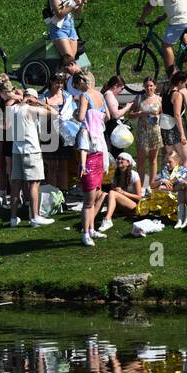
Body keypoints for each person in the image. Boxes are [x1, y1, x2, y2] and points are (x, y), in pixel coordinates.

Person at [5, 88, 54, 227]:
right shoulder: (32, 109)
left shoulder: (13, 108)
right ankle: (35, 217)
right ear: (33, 98)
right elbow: (54, 112)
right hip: (31, 150)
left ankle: (13, 219)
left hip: (16, 151)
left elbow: (7, 108)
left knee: (16, 185)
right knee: (34, 184)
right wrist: (41, 103)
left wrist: (16, 98)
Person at [75, 70, 108, 247]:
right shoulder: (100, 96)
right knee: (93, 197)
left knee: (88, 202)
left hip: (89, 157)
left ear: (82, 82)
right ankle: (89, 230)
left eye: (77, 83)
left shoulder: (84, 96)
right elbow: (108, 116)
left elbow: (81, 117)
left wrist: (75, 114)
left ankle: (87, 232)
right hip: (100, 151)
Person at [45, 0, 88, 74]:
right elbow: (60, 14)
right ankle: (70, 79)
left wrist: (81, 4)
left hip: (71, 29)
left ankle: (62, 77)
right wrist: (73, 4)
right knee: (70, 61)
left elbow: (77, 12)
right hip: (59, 29)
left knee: (71, 60)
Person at [99, 151, 144, 232]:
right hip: (121, 205)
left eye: (122, 159)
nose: (119, 160)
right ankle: (90, 219)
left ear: (128, 163)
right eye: (118, 159)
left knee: (112, 193)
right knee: (104, 194)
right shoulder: (115, 175)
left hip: (134, 206)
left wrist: (123, 192)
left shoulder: (134, 175)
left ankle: (107, 219)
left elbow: (139, 197)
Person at [134, 76, 162, 187]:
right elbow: (130, 114)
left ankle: (152, 186)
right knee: (141, 160)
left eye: (151, 85)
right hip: (142, 132)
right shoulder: (139, 98)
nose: (149, 88)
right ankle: (140, 187)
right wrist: (140, 114)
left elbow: (164, 115)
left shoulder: (159, 99)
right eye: (146, 86)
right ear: (143, 86)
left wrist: (158, 115)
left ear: (155, 87)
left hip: (155, 132)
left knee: (153, 160)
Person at [161, 70, 187, 165]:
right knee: (186, 160)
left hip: (166, 129)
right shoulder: (177, 95)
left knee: (173, 160)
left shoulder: (165, 93)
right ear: (180, 82)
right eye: (185, 84)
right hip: (178, 128)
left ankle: (173, 175)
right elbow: (177, 114)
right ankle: (183, 176)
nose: (186, 86)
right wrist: (182, 134)